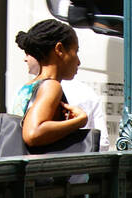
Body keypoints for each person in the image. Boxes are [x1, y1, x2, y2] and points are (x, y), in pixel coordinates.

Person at [14, 20, 90, 154]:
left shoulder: (29, 86)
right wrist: (80, 121)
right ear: (59, 49)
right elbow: (33, 133)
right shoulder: (52, 86)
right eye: (75, 51)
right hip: (39, 172)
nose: (78, 62)